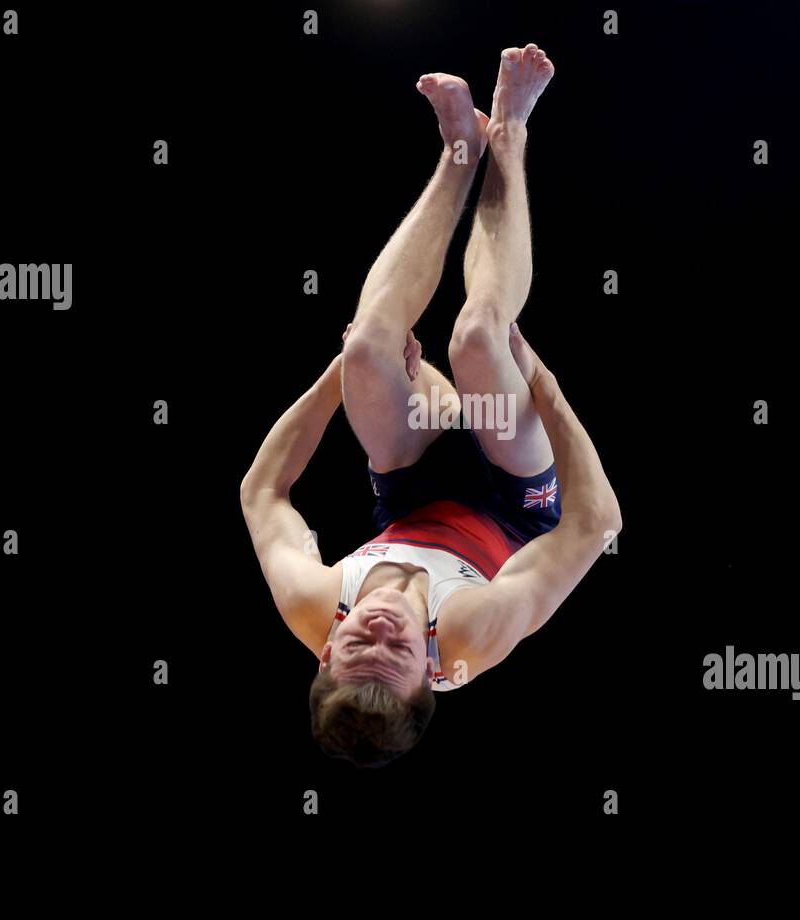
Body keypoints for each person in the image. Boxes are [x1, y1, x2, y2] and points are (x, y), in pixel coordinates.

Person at [240, 44, 621, 767]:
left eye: (360, 642)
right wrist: (544, 381)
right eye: (398, 649)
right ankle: (509, 132)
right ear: (433, 675)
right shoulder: (476, 634)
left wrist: (336, 372)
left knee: (365, 351)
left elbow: (261, 490)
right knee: (481, 336)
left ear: (326, 651)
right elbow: (599, 521)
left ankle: (456, 150)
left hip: (412, 480)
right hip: (514, 496)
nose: (379, 626)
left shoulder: (310, 606)